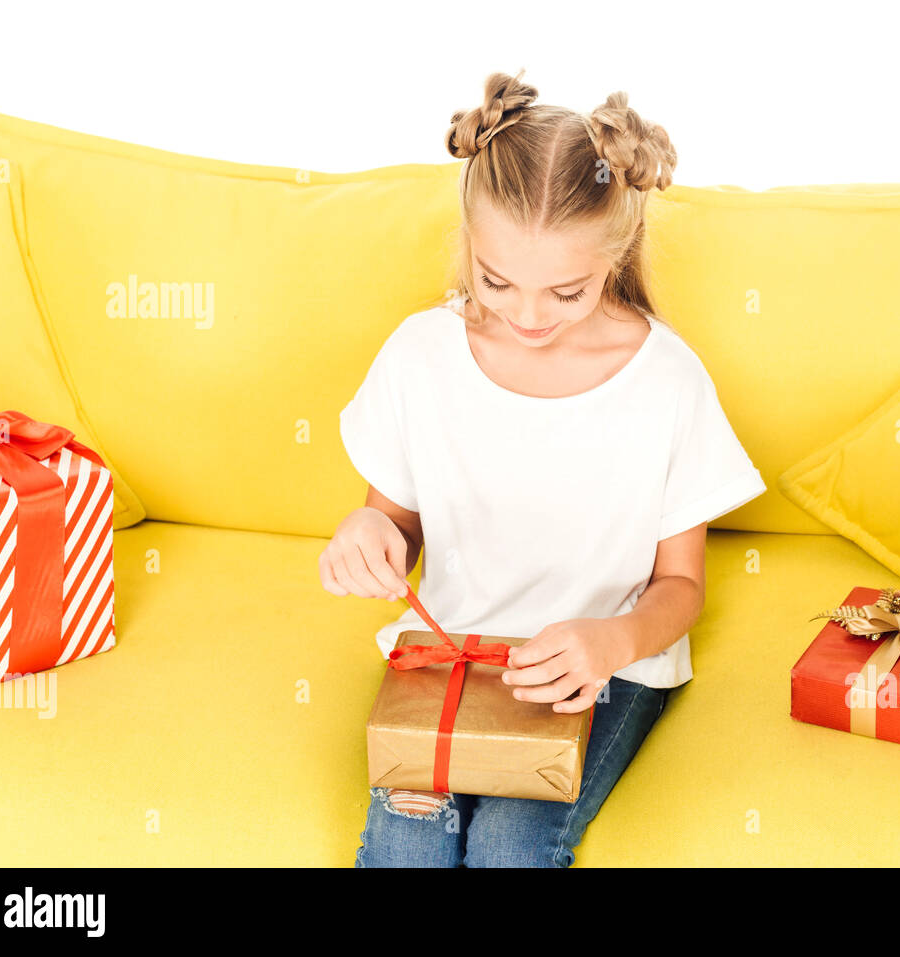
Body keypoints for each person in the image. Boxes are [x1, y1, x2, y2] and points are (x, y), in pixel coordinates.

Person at [320, 68, 766, 867]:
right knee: (404, 847)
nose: (527, 317)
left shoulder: (666, 380)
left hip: (608, 666)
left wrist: (609, 641)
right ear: (469, 243)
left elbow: (682, 587)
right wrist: (365, 532)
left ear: (617, 252)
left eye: (567, 292)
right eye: (496, 283)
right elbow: (392, 524)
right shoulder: (421, 356)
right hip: (455, 649)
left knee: (510, 847)